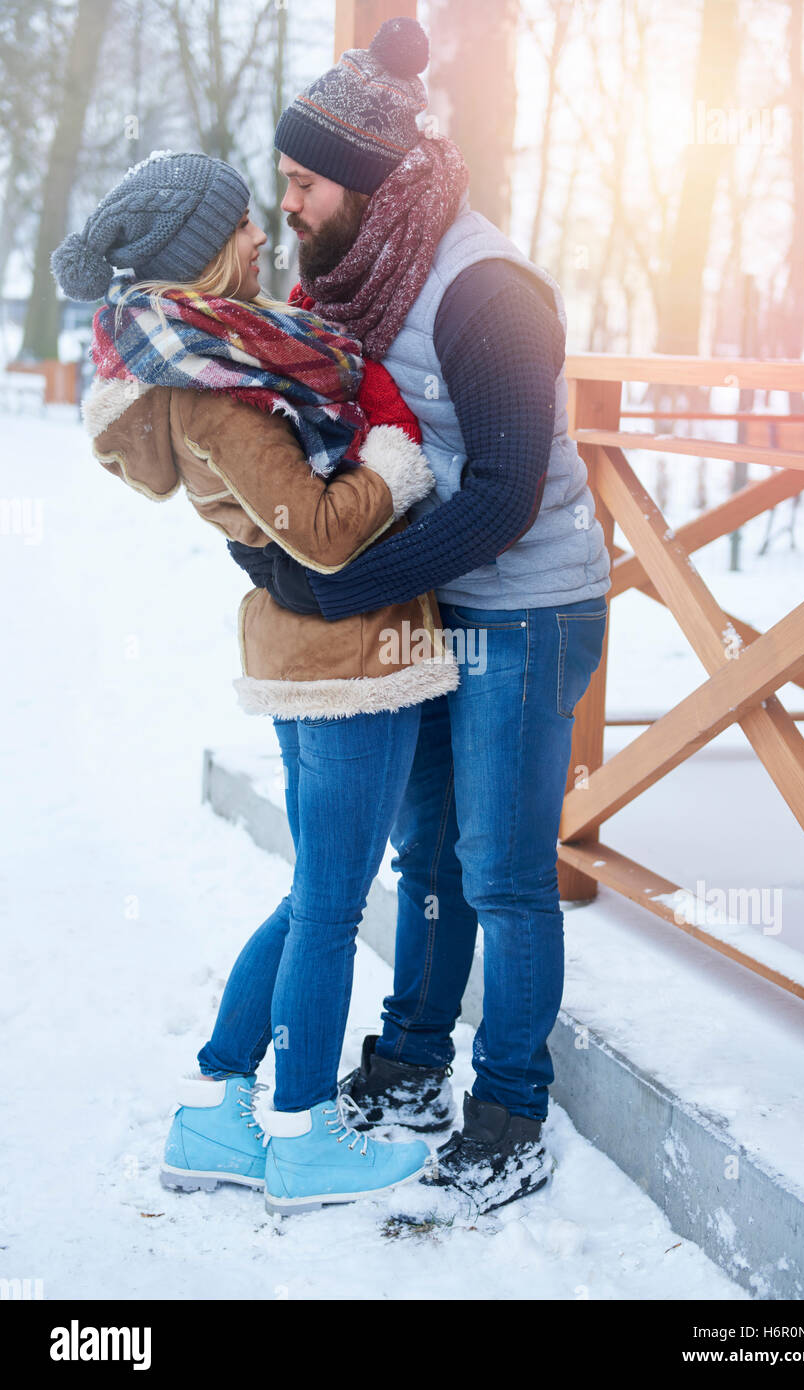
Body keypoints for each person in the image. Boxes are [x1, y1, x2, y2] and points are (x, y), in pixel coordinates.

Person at [229, 16, 613, 1216]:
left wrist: (340, 585)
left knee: (503, 871)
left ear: (367, 182)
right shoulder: (349, 277)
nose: (285, 201)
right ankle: (409, 1064)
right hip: (430, 599)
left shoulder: (488, 290)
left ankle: (511, 1106)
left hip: (528, 603)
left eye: (301, 181)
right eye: (284, 179)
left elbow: (500, 491)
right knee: (429, 854)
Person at [51, 149, 461, 1216]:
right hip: (342, 665)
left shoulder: (226, 354)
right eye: (243, 225)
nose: (262, 238)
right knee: (329, 910)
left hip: (308, 653)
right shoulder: (216, 392)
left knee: (312, 896)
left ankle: (217, 1103)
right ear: (203, 255)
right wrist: (394, 456)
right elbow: (323, 533)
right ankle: (300, 1133)